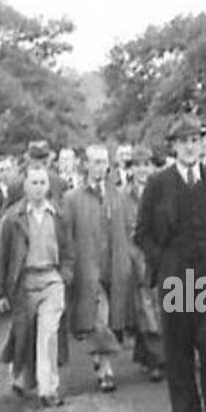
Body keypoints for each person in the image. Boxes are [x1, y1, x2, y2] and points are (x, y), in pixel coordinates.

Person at [133, 112, 206, 412]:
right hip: (175, 276)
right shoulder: (158, 183)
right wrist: (162, 263)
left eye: (195, 140)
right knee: (178, 349)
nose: (190, 147)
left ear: (203, 143)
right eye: (183, 142)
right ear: (173, 147)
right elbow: (143, 233)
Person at [0, 165, 73, 406]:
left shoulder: (58, 215)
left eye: (42, 183)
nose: (38, 188)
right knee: (23, 334)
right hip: (23, 282)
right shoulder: (12, 218)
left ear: (49, 186)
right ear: (25, 186)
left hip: (52, 280)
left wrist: (65, 274)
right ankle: (22, 377)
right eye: (33, 183)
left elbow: (68, 250)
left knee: (49, 334)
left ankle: (48, 390)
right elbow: (0, 257)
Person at [65, 144, 134, 393]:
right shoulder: (73, 198)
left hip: (113, 266)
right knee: (99, 317)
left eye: (104, 162)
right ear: (86, 165)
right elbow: (68, 237)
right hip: (88, 267)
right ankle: (106, 369)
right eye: (95, 162)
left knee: (109, 317)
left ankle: (99, 355)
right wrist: (71, 269)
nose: (100, 167)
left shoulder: (118, 196)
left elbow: (127, 229)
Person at [122, 145, 165, 381]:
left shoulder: (163, 191)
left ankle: (161, 356)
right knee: (145, 309)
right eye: (137, 165)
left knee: (164, 307)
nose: (142, 170)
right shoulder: (123, 197)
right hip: (136, 258)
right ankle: (155, 360)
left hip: (161, 256)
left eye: (145, 164)